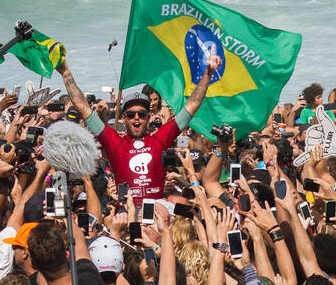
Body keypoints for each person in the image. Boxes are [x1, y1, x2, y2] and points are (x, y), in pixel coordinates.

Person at [57, 50, 222, 202]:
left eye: (142, 114)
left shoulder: (160, 138)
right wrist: (65, 72)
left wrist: (207, 74)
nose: (137, 118)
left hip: (158, 212)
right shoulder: (114, 141)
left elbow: (191, 107)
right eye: (131, 114)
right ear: (123, 118)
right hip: (127, 214)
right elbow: (83, 107)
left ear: (149, 117)